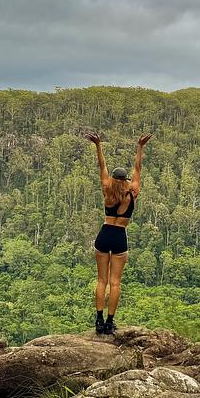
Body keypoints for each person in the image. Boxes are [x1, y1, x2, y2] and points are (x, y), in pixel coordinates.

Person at [83, 131, 151, 335]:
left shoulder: (107, 189)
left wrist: (98, 145)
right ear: (126, 180)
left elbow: (101, 166)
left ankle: (98, 320)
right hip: (120, 236)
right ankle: (110, 322)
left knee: (101, 281)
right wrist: (140, 147)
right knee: (115, 283)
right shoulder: (132, 192)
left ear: (113, 179)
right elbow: (138, 168)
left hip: (104, 234)